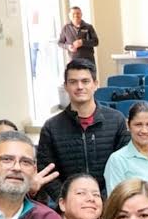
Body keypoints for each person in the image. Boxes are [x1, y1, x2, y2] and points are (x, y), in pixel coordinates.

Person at [37, 59, 129, 202]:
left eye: (85, 81)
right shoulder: (51, 127)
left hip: (110, 204)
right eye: (73, 82)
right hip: (69, 207)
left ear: (95, 84)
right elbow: (47, 171)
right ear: (65, 86)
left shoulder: (116, 120)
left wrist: (103, 200)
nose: (79, 87)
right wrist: (67, 200)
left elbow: (124, 165)